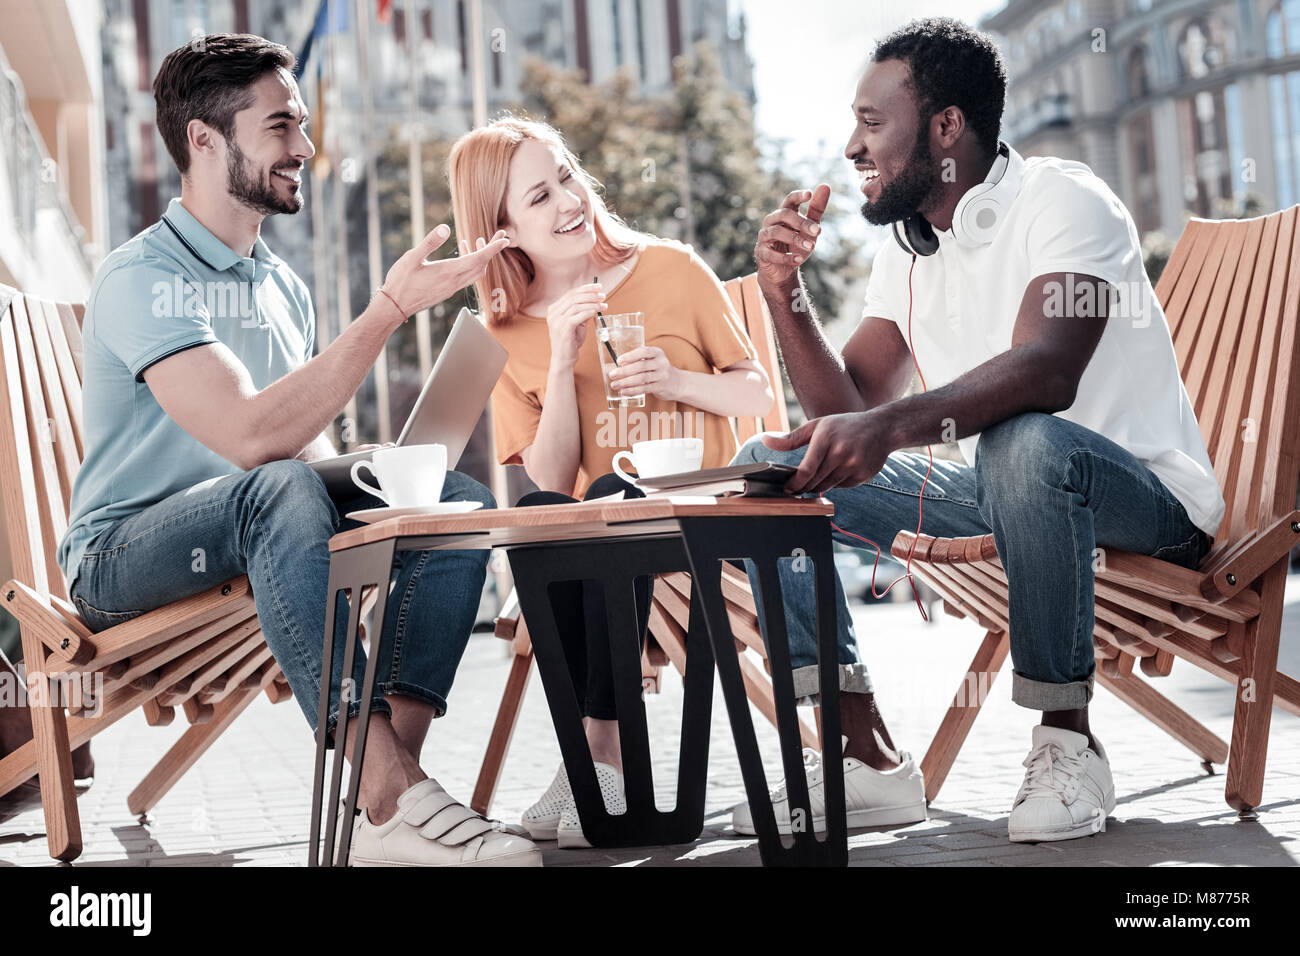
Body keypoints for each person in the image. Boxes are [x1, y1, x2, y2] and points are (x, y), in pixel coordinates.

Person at [54, 34, 540, 867]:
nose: (306, 149)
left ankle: (392, 789)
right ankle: (389, 795)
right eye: (281, 127)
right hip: (122, 558)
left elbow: (301, 447)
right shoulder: (143, 276)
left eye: (304, 125)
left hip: (254, 526)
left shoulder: (281, 285)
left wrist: (394, 482)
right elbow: (251, 439)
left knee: (450, 499)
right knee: (277, 484)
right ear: (204, 140)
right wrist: (388, 309)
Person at [735, 17, 1224, 844]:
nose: (852, 146)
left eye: (872, 121)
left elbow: (1048, 370)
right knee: (771, 468)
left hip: (1144, 506)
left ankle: (1069, 746)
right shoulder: (908, 250)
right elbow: (845, 409)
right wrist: (784, 295)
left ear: (946, 126)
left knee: (1023, 440)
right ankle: (867, 756)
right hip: (1000, 497)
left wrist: (888, 428)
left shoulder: (1063, 199)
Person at [447, 117, 773, 846]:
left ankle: (597, 757)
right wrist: (561, 357)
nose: (569, 200)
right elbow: (550, 480)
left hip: (703, 524)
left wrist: (680, 380)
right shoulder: (506, 333)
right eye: (540, 195)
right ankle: (601, 771)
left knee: (604, 501)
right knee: (547, 516)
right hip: (607, 551)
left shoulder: (672, 268)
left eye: (566, 175)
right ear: (502, 232)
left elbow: (757, 396)